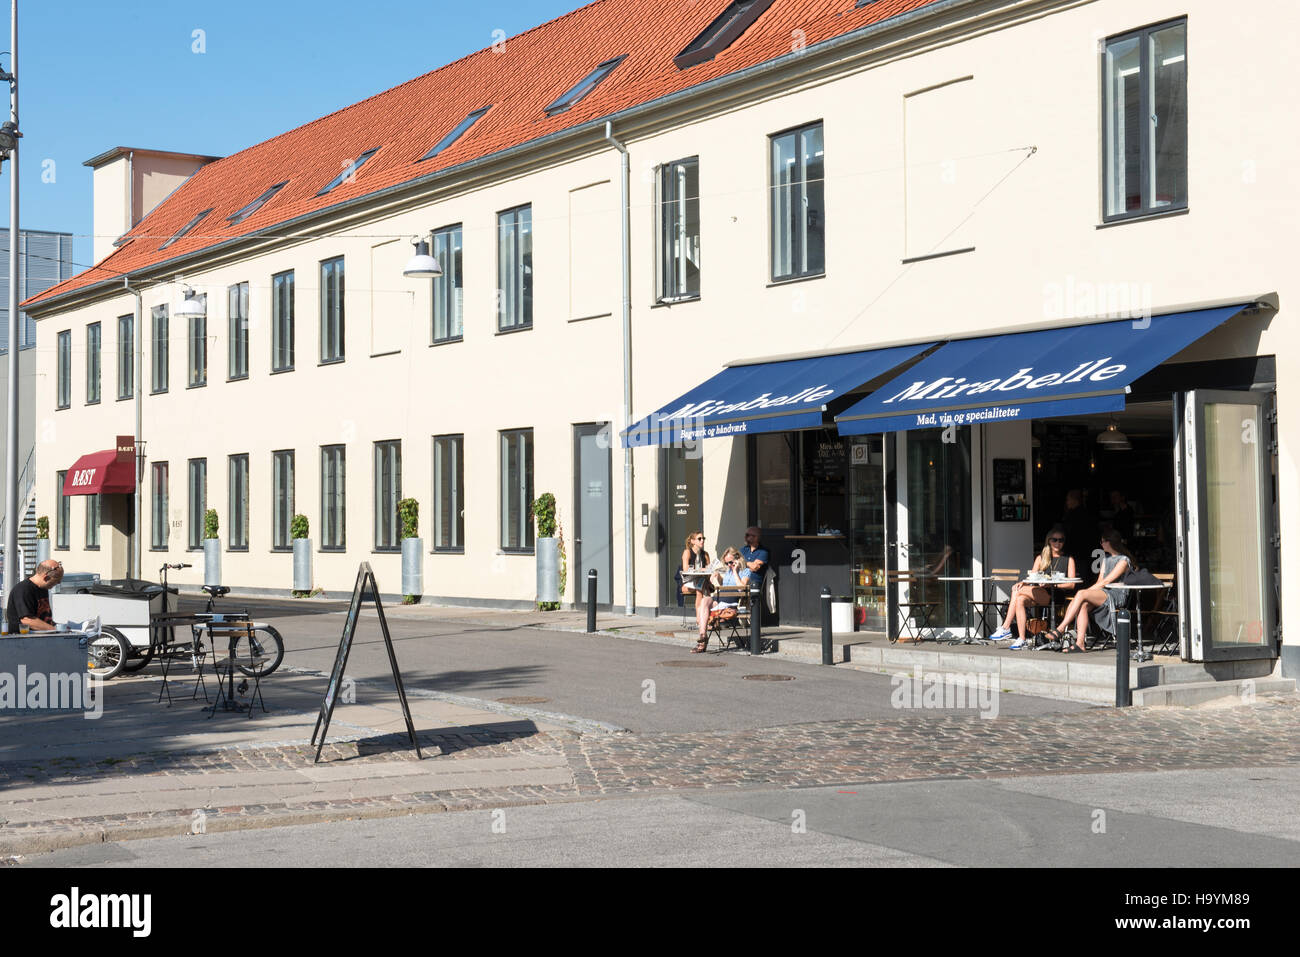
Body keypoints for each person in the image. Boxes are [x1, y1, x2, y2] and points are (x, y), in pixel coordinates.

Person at [1044, 530, 1133, 653]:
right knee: (1084, 604)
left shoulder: (1123, 560)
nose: (1101, 544)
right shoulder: (1106, 559)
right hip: (1103, 592)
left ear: (1110, 542)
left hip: (1117, 594)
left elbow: (1106, 582)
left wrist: (1085, 592)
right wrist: (1086, 593)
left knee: (1081, 594)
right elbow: (1100, 581)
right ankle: (1080, 643)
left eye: (1102, 542)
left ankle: (1060, 628)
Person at [988, 526, 1077, 646]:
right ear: (1048, 541)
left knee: (1018, 591)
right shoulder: (1041, 558)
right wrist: (1023, 582)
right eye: (1054, 540)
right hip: (1040, 592)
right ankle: (1022, 639)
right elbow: (1033, 578)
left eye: (1061, 540)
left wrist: (1053, 584)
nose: (1057, 543)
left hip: (1056, 594)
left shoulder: (1068, 559)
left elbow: (1071, 584)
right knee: (1019, 599)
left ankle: (1006, 627)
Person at [6, 559, 64, 634]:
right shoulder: (23, 590)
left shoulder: (43, 588)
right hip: (24, 641)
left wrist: (59, 627)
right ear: (46, 578)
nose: (58, 583)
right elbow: (27, 620)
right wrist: (56, 630)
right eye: (57, 580)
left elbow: (44, 618)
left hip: (40, 638)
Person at [681, 531, 715, 652]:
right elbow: (685, 570)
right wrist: (700, 569)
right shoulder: (687, 552)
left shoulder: (705, 554)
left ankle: (703, 620)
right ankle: (701, 619)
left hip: (701, 582)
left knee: (703, 587)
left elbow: (710, 569)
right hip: (689, 581)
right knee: (702, 589)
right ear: (692, 541)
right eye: (699, 539)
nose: (702, 541)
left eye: (703, 538)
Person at [740, 527, 769, 597]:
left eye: (747, 535)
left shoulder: (763, 551)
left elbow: (755, 567)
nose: (745, 537)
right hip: (741, 581)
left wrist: (744, 563)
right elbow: (736, 563)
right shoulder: (743, 550)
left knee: (753, 592)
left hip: (753, 582)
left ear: (756, 537)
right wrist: (749, 564)